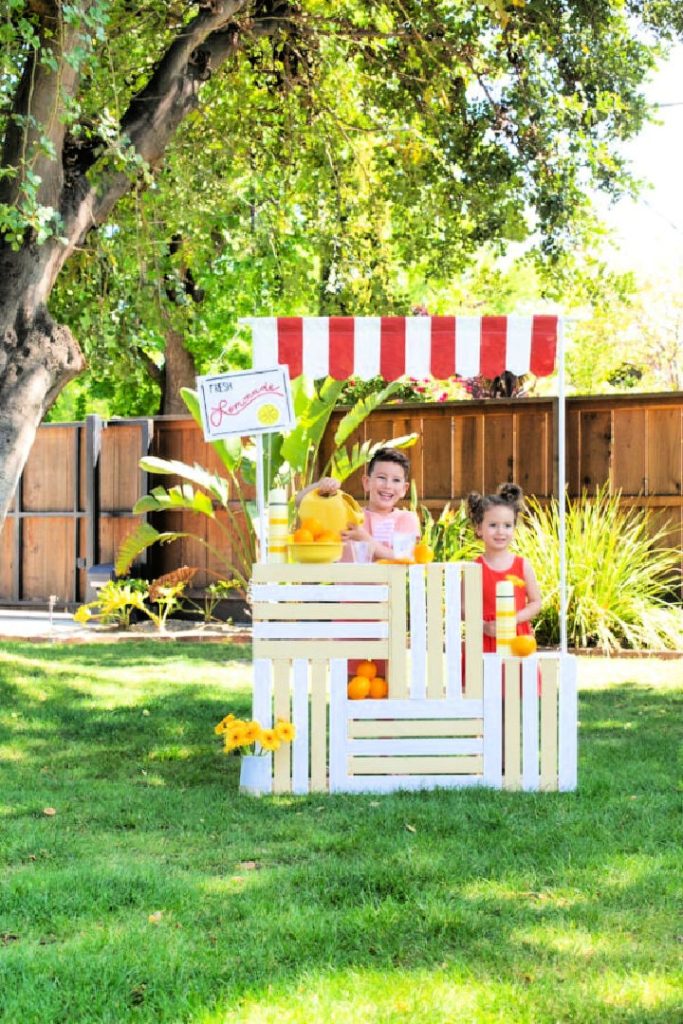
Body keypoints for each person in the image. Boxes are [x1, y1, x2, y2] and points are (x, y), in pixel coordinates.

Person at [298, 448, 420, 562]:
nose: (388, 485)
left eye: (396, 480)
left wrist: (366, 539)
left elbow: (403, 558)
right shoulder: (348, 515)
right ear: (367, 482)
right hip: (345, 585)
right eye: (382, 477)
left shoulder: (405, 519)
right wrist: (320, 486)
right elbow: (300, 502)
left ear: (404, 489)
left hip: (390, 586)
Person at [466, 483, 541, 652]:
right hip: (484, 639)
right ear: (479, 529)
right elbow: (463, 608)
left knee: (517, 678)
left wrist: (514, 619)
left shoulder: (523, 566)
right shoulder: (474, 568)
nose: (501, 531)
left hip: (517, 638)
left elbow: (535, 602)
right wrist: (483, 626)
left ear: (514, 529)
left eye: (507, 525)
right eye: (493, 525)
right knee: (484, 678)